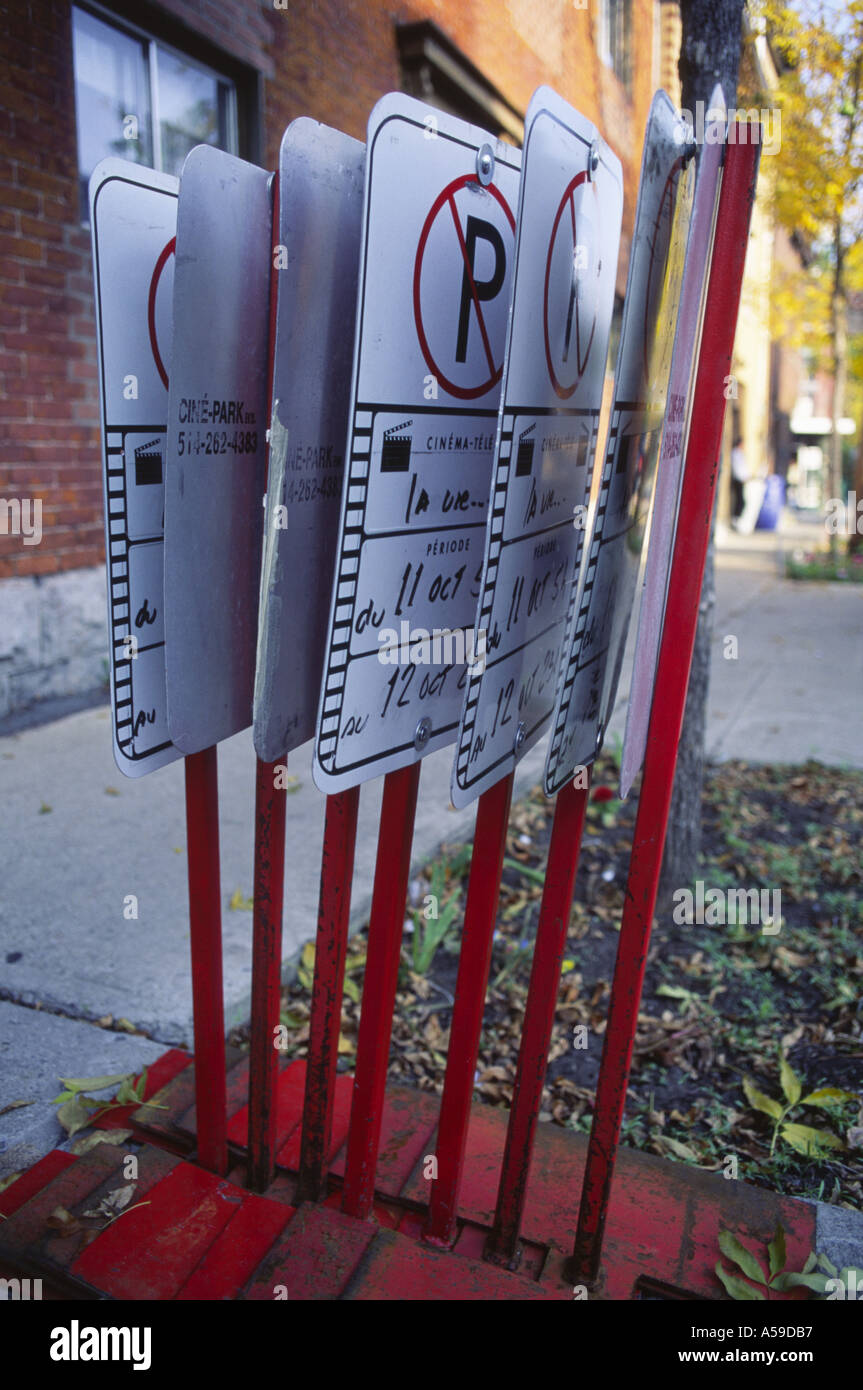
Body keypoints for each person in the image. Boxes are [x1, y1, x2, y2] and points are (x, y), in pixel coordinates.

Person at [730, 436, 747, 520]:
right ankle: (735, 519)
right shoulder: (736, 453)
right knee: (740, 500)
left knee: (741, 500)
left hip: (741, 479)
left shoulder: (740, 453)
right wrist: (741, 477)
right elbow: (737, 468)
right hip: (738, 479)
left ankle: (737, 518)